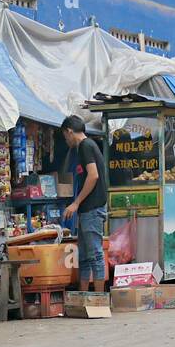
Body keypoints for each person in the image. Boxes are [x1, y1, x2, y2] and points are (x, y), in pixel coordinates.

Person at [60, 115, 109, 292]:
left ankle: (99, 299)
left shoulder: (86, 146)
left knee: (95, 254)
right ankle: (83, 297)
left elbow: (93, 175)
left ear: (69, 131)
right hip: (87, 210)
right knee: (85, 257)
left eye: (65, 136)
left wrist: (76, 203)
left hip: (92, 208)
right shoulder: (86, 147)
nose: (66, 140)